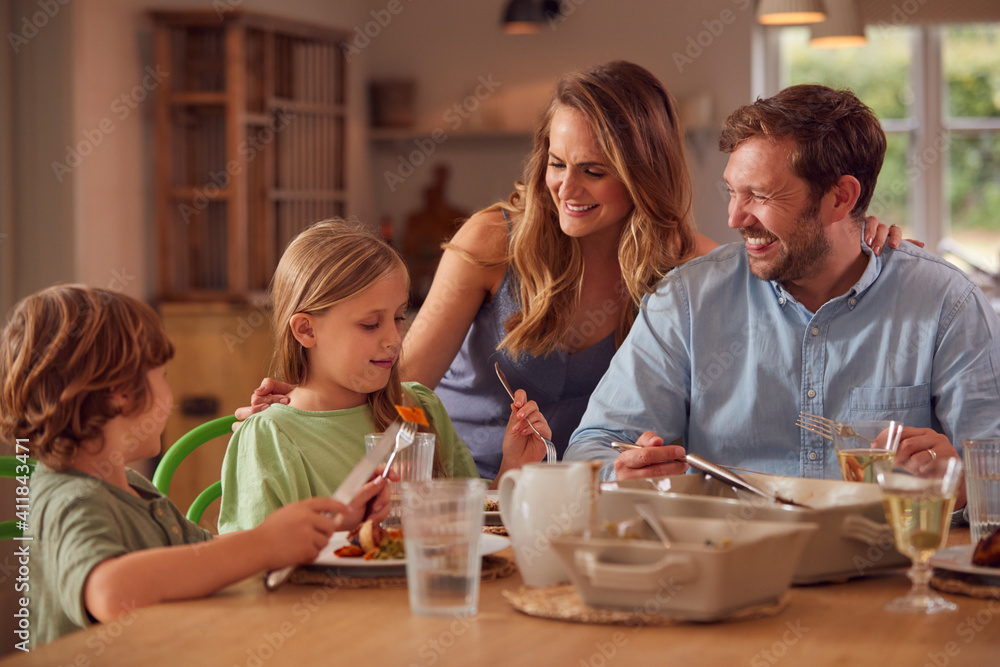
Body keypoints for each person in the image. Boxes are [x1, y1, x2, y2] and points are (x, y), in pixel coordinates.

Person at [237, 62, 905, 481]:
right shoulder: (492, 240)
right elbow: (400, 382)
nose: (567, 187)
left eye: (594, 169)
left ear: (642, 172)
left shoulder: (686, 262)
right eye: (557, 163)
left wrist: (865, 234)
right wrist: (307, 399)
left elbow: (801, 264)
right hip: (465, 491)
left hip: (588, 499)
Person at [564, 84, 1000, 509]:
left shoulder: (947, 304)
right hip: (734, 566)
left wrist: (960, 486)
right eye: (733, 191)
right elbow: (590, 448)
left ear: (840, 198)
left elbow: (992, 472)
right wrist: (619, 474)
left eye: (761, 195)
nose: (734, 218)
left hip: (885, 574)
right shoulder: (686, 302)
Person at [0, 285, 387, 647]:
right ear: (120, 396)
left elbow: (207, 556)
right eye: (162, 378)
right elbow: (110, 592)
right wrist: (264, 543)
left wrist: (327, 525)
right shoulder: (69, 498)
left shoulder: (133, 487)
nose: (170, 397)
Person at [218, 219, 549, 533]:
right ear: (306, 329)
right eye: (370, 324)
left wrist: (513, 470)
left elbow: (468, 527)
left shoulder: (420, 406)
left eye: (399, 317)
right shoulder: (269, 437)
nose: (394, 338)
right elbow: (254, 565)